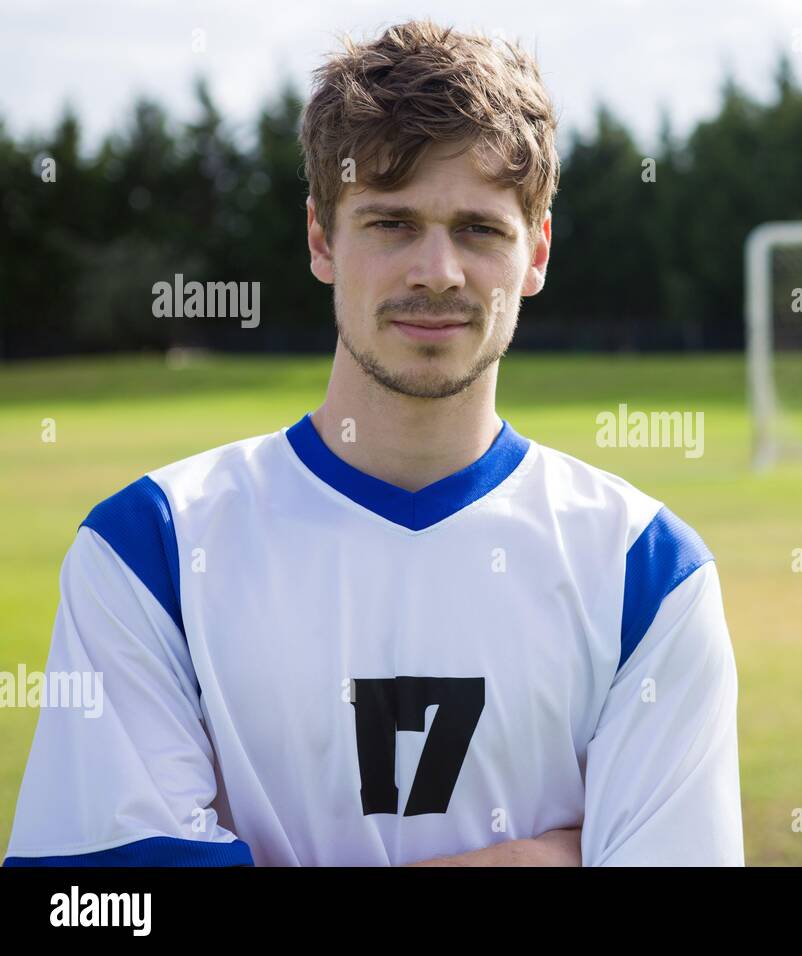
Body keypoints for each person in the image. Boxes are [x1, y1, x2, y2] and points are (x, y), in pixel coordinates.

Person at [4, 19, 743, 867]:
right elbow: (100, 907)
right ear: (323, 237)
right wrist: (528, 860)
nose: (438, 270)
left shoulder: (645, 573)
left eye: (478, 229)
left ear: (535, 251)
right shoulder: (152, 548)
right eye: (392, 224)